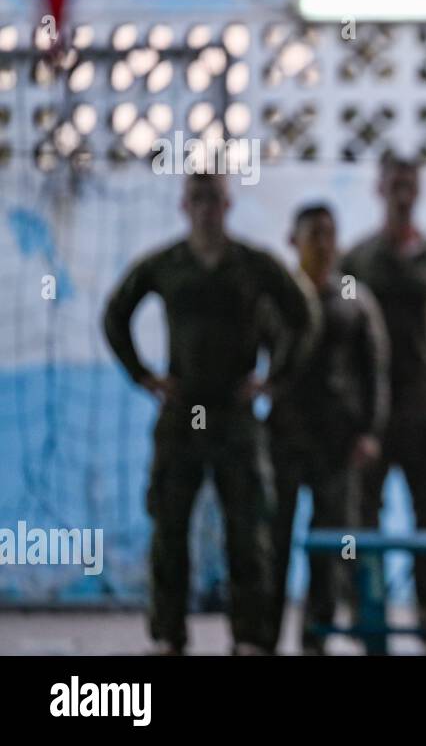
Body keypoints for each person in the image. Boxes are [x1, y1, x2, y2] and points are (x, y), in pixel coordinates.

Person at [102, 172, 315, 654]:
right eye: (197, 200)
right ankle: (168, 634)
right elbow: (115, 314)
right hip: (183, 412)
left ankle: (249, 636)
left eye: (213, 200)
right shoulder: (167, 264)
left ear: (227, 204)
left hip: (234, 414)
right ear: (184, 206)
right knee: (169, 527)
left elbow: (303, 316)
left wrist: (274, 378)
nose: (205, 209)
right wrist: (143, 375)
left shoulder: (253, 264)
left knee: (248, 530)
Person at [340, 152, 426, 647]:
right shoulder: (357, 261)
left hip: (422, 407)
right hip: (371, 412)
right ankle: (368, 614)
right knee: (363, 519)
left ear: (419, 191)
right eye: (395, 184)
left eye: (409, 185)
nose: (402, 194)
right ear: (380, 188)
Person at [266, 202, 390, 655]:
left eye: (329, 234)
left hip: (337, 444)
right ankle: (262, 638)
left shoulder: (356, 300)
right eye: (313, 234)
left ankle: (315, 637)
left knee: (332, 546)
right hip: (282, 440)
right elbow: (246, 353)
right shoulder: (276, 298)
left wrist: (370, 433)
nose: (322, 243)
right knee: (272, 544)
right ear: (293, 240)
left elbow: (375, 371)